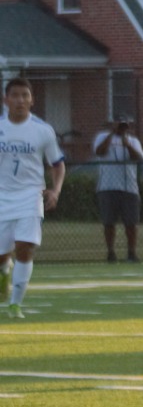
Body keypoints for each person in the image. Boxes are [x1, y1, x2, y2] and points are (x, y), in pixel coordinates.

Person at [0, 79, 66, 320]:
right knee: (2, 256)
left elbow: (57, 165)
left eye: (24, 95)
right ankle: (4, 271)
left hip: (30, 196)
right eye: (14, 95)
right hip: (1, 197)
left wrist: (55, 190)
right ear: (5, 100)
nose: (20, 100)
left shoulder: (42, 130)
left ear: (32, 100)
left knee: (25, 247)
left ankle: (15, 304)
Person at [92, 118, 143, 263]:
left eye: (124, 126)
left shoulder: (133, 141)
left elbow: (138, 157)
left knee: (131, 223)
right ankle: (111, 253)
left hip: (129, 187)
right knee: (109, 222)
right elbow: (99, 152)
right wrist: (111, 134)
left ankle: (132, 253)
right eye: (119, 125)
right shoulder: (102, 137)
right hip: (107, 186)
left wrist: (127, 145)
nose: (121, 128)